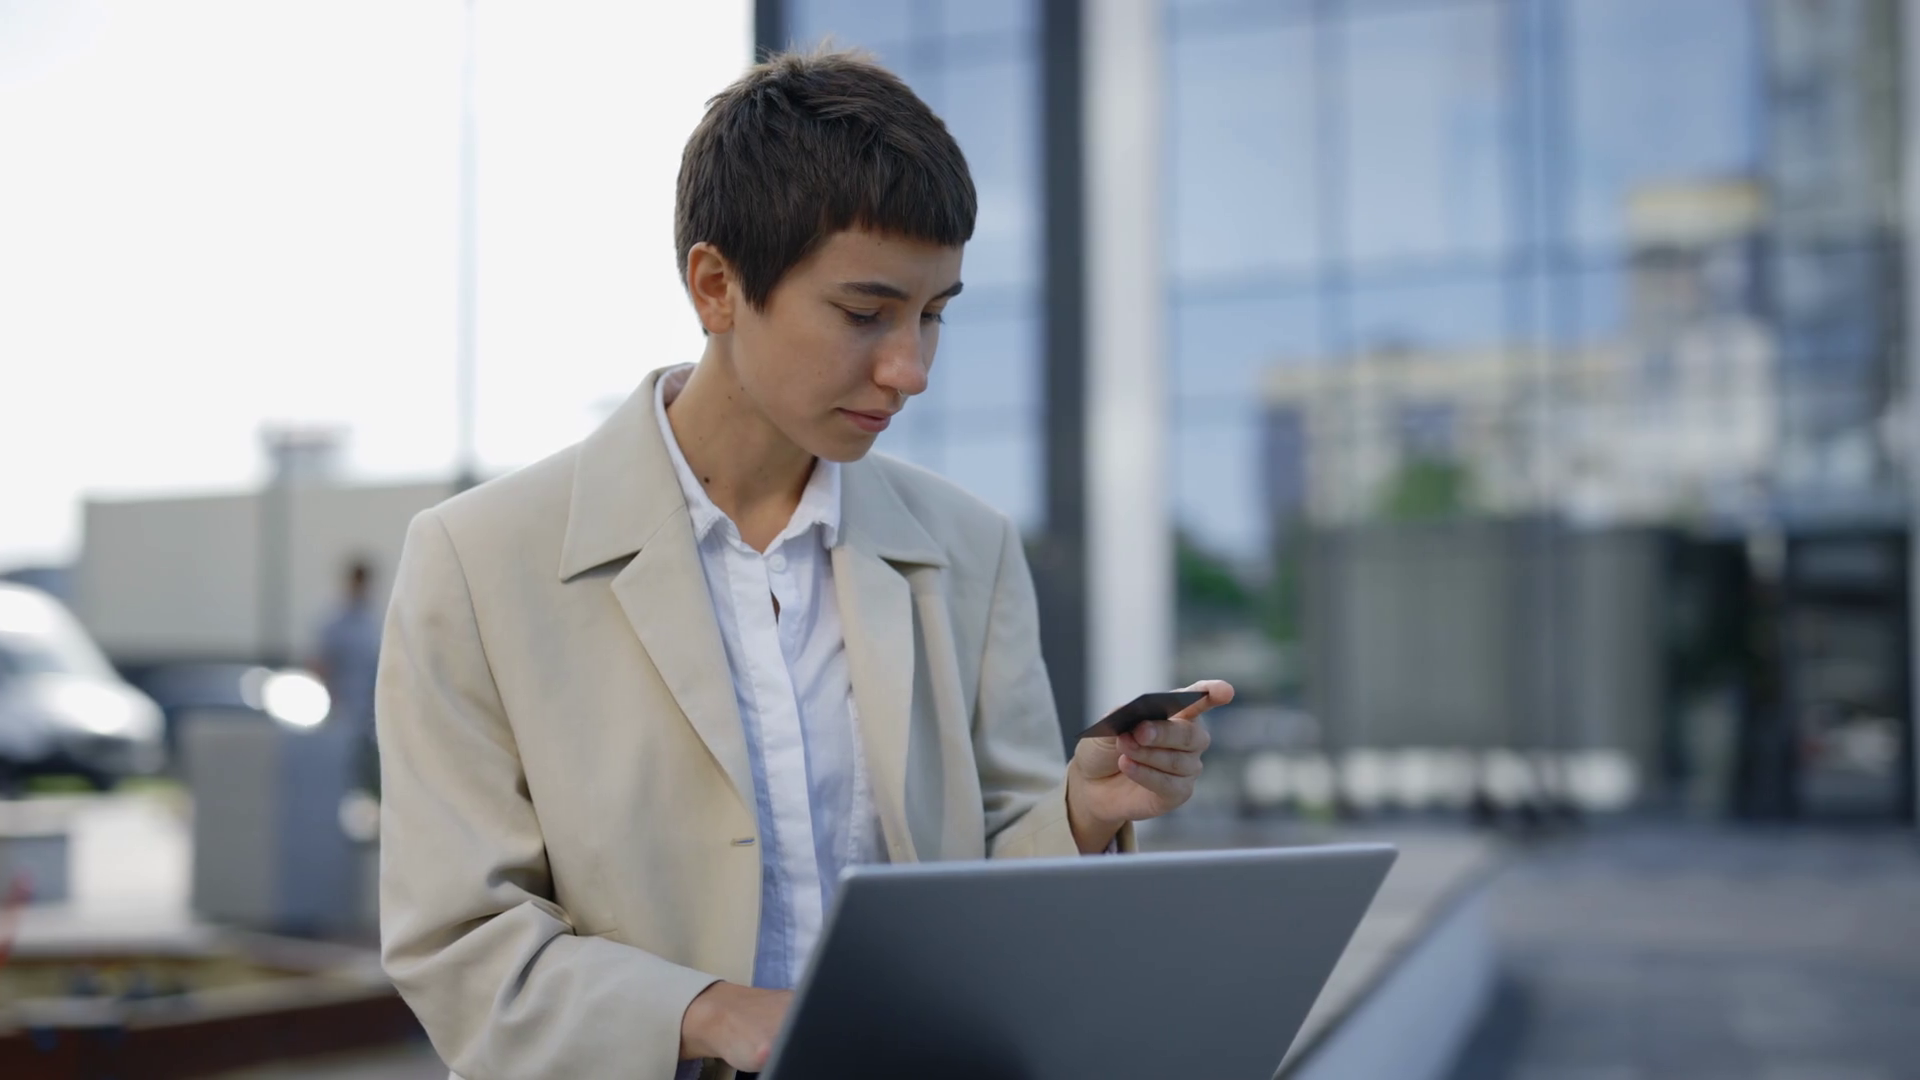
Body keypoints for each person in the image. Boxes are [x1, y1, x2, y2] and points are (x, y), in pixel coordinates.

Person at [375, 48, 1234, 1080]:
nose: (910, 369)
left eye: (935, 313)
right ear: (717, 287)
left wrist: (1086, 813)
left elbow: (994, 896)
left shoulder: (968, 548)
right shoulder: (477, 561)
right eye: (866, 313)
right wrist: (711, 1012)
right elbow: (460, 938)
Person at [314, 558, 381, 791]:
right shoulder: (335, 624)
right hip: (340, 712)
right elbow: (321, 665)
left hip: (369, 715)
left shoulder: (373, 623)